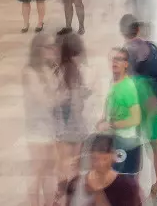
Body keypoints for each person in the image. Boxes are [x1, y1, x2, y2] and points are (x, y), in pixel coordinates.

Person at [120, 15, 157, 202]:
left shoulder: (124, 55)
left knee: (131, 146)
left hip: (132, 108)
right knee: (156, 147)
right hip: (153, 108)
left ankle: (131, 186)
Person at [52, 31, 88, 202]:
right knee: (74, 163)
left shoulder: (61, 70)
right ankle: (71, 197)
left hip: (64, 124)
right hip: (75, 123)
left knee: (64, 162)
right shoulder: (74, 71)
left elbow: (57, 99)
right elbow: (76, 101)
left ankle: (62, 195)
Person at [23, 33, 57, 206]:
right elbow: (43, 100)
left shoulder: (49, 68)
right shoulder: (31, 72)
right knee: (38, 169)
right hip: (37, 127)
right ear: (39, 50)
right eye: (49, 47)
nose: (54, 50)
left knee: (50, 169)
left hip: (51, 126)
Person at [64, 133, 142, 205]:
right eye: (95, 159)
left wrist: (97, 193)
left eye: (105, 159)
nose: (100, 164)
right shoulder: (75, 183)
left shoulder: (126, 186)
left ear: (113, 156)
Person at [100, 49, 143, 177]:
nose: (115, 62)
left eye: (119, 59)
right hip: (116, 139)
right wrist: (103, 120)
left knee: (123, 182)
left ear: (126, 64)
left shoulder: (127, 87)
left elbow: (135, 119)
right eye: (113, 59)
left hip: (126, 142)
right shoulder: (114, 83)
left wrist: (111, 125)